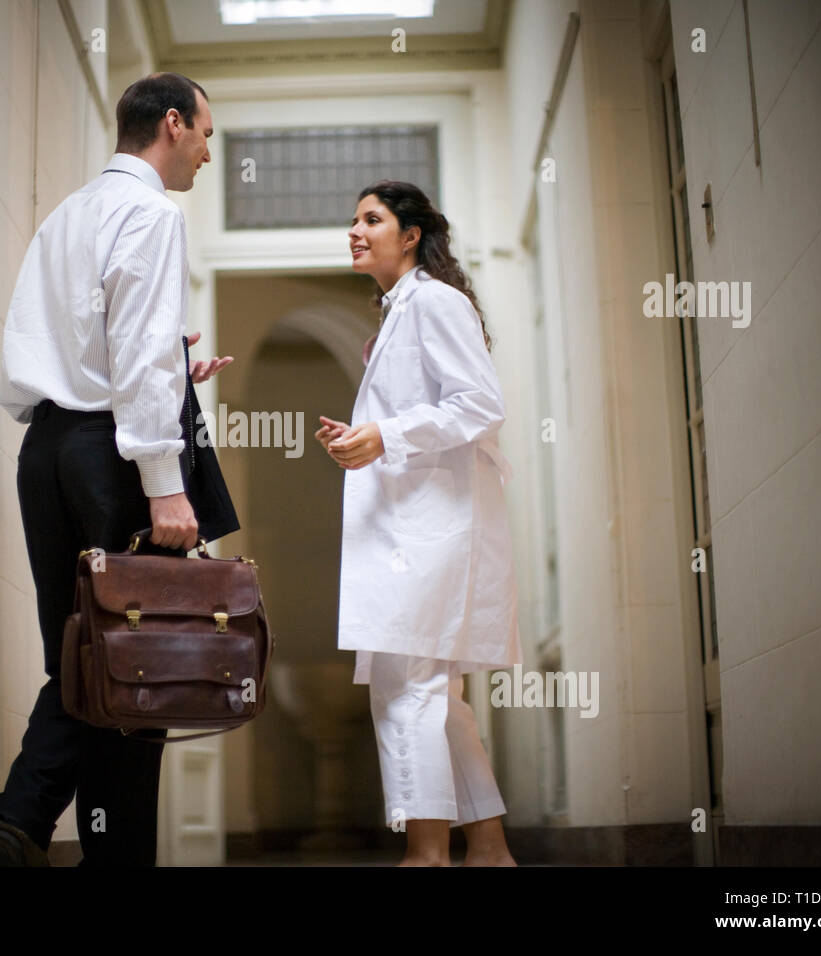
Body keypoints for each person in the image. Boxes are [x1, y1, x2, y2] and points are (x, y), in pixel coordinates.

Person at [0, 72, 237, 867]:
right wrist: (165, 482)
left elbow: (82, 342)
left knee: (86, 646)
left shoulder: (64, 217)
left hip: (47, 451)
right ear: (172, 123)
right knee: (138, 658)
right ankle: (36, 815)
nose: (206, 148)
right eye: (204, 130)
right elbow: (130, 348)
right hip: (113, 456)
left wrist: (169, 364)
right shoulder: (153, 212)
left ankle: (28, 820)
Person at [316, 180, 521, 867]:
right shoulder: (397, 317)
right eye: (353, 220)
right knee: (430, 692)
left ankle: (426, 854)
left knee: (410, 690)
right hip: (409, 529)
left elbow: (480, 405)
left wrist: (386, 436)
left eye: (371, 219)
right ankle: (488, 850)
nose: (355, 229)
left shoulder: (434, 300)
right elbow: (416, 419)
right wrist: (366, 438)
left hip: (430, 532)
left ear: (410, 236)